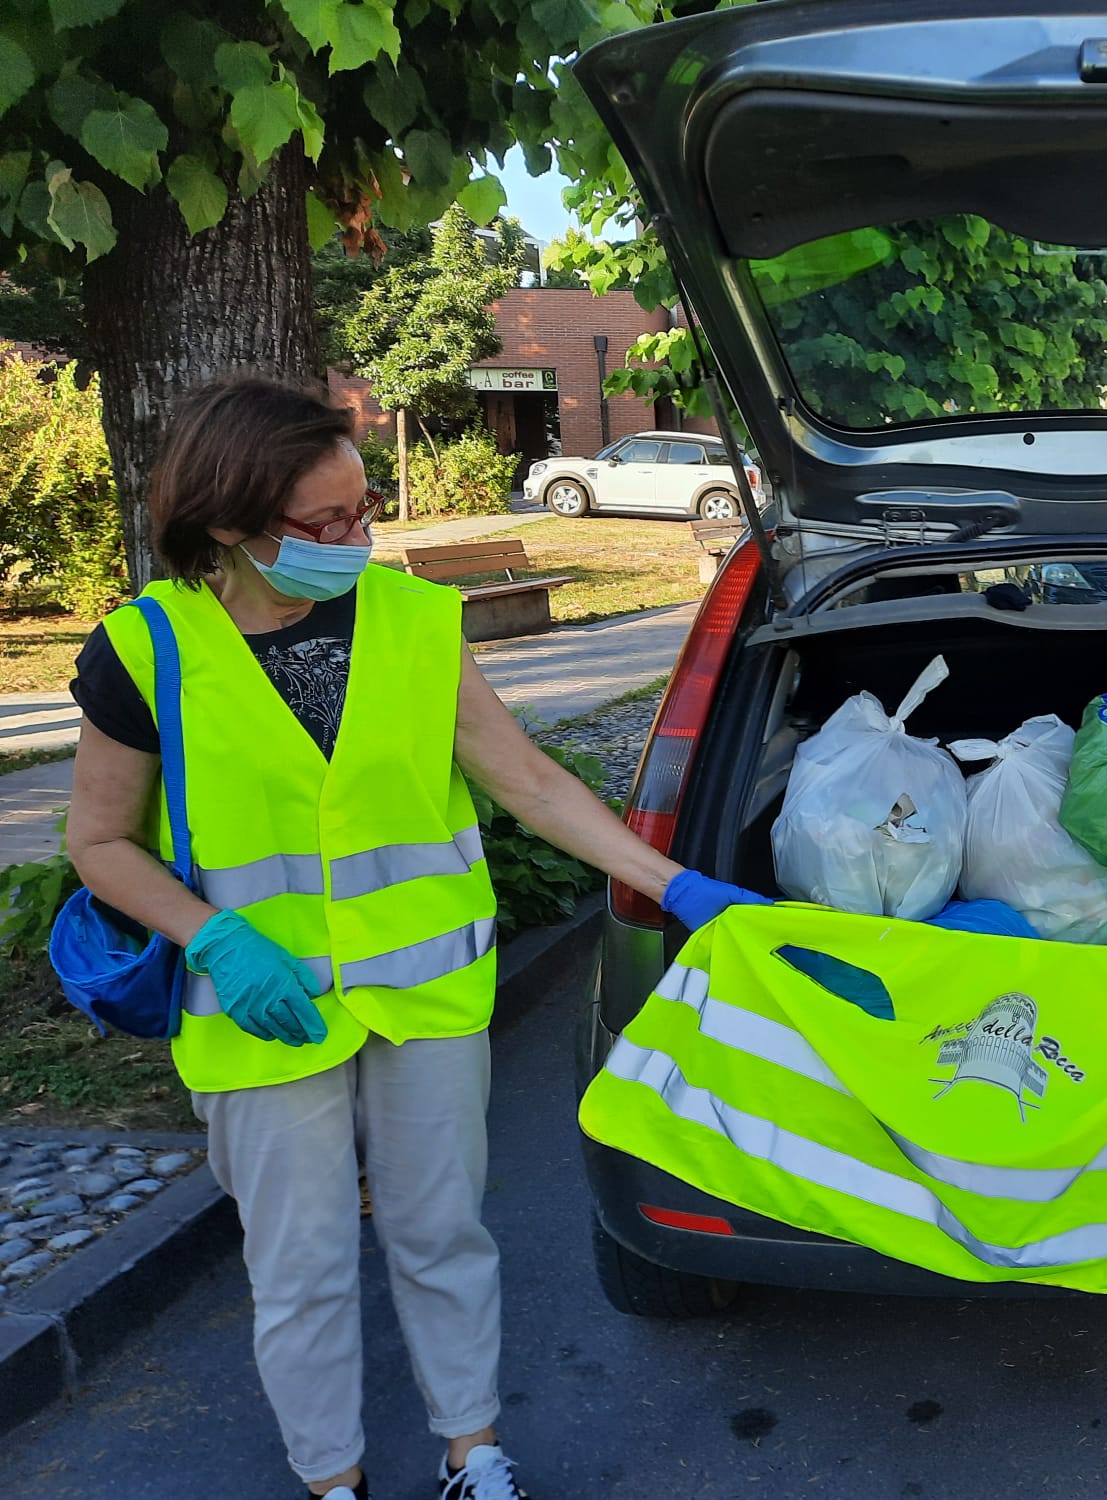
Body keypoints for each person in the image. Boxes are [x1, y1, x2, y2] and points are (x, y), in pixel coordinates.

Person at [66, 376, 721, 1500]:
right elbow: (97, 842)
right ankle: (333, 1482)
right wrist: (214, 939)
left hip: (425, 992)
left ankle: (475, 1454)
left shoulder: (415, 621)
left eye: (363, 509)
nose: (356, 540)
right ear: (228, 524)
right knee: (299, 1265)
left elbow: (525, 782)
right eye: (325, 524)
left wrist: (675, 885)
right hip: (259, 1007)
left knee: (442, 1234)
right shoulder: (143, 651)